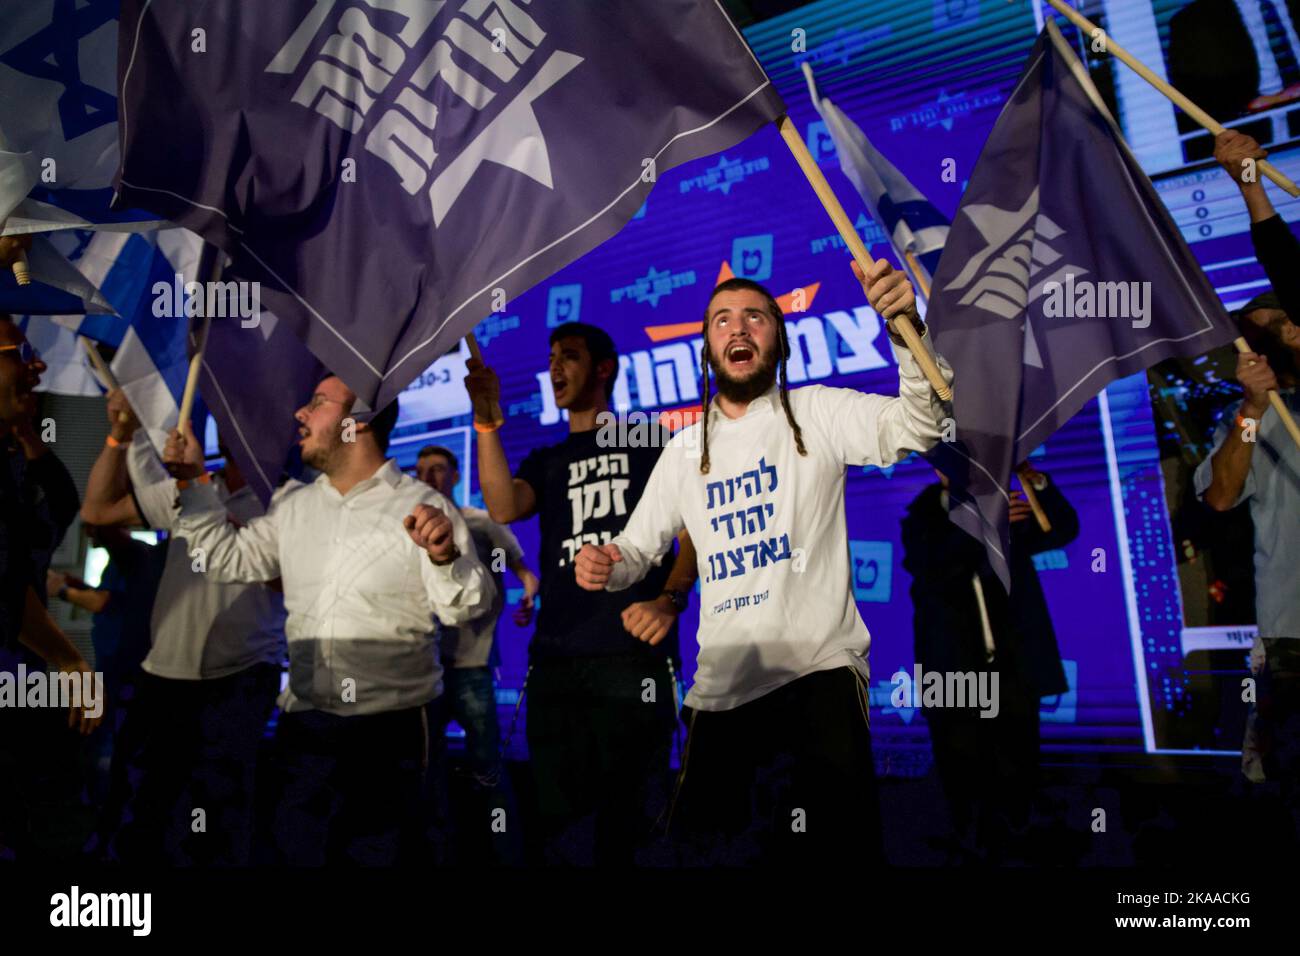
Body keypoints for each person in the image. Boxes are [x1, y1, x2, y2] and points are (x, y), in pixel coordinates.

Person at [575, 261, 954, 865]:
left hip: (819, 680)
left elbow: (921, 426)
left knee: (838, 859)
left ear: (778, 337)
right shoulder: (681, 450)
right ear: (707, 346)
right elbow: (637, 550)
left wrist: (906, 328)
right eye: (721, 319)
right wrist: (606, 562)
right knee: (713, 857)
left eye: (755, 315)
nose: (738, 327)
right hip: (719, 695)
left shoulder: (819, 411)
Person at [163, 374, 495, 865]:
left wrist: (445, 558)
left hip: (392, 735)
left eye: (317, 403)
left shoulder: (423, 508)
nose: (300, 413)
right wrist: (192, 482)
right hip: (305, 730)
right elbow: (223, 559)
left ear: (356, 423)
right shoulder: (293, 507)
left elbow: (465, 607)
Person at [465, 322, 698, 865]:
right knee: (559, 823)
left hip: (634, 659)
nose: (554, 368)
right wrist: (485, 419)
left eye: (569, 356)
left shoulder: (648, 443)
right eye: (550, 358)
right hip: (557, 663)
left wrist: (669, 600)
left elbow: (693, 534)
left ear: (603, 368)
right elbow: (503, 506)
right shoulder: (548, 459)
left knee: (630, 823)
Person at [79, 388, 286, 865]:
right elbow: (97, 512)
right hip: (164, 673)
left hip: (240, 676)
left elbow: (291, 584)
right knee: (137, 805)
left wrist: (224, 528)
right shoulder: (191, 490)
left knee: (215, 815)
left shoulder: (285, 502)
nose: (239, 429)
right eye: (233, 421)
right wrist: (118, 437)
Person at [901, 465, 1079, 863]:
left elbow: (1062, 529)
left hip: (1012, 669)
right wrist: (985, 521)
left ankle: (1019, 846)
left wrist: (1038, 484)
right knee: (963, 776)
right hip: (953, 672)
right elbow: (938, 562)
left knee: (1018, 773)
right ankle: (968, 848)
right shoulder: (922, 517)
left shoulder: (1003, 510)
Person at [0, 313, 99, 861]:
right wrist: (69, 660)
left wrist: (30, 441)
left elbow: (55, 517)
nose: (37, 365)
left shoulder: (11, 456)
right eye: (19, 351)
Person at [414, 444, 538, 864]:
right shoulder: (410, 526)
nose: (429, 478)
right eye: (422, 471)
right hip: (425, 670)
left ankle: (506, 855)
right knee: (427, 777)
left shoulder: (478, 522)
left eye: (437, 470)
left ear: (455, 475)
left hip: (471, 668)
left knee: (488, 772)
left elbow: (518, 564)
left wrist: (526, 590)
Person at [1169, 0, 1300, 124]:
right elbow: (1199, 101)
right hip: (1256, 132)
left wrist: (1282, 98)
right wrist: (1252, 107)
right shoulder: (1190, 22)